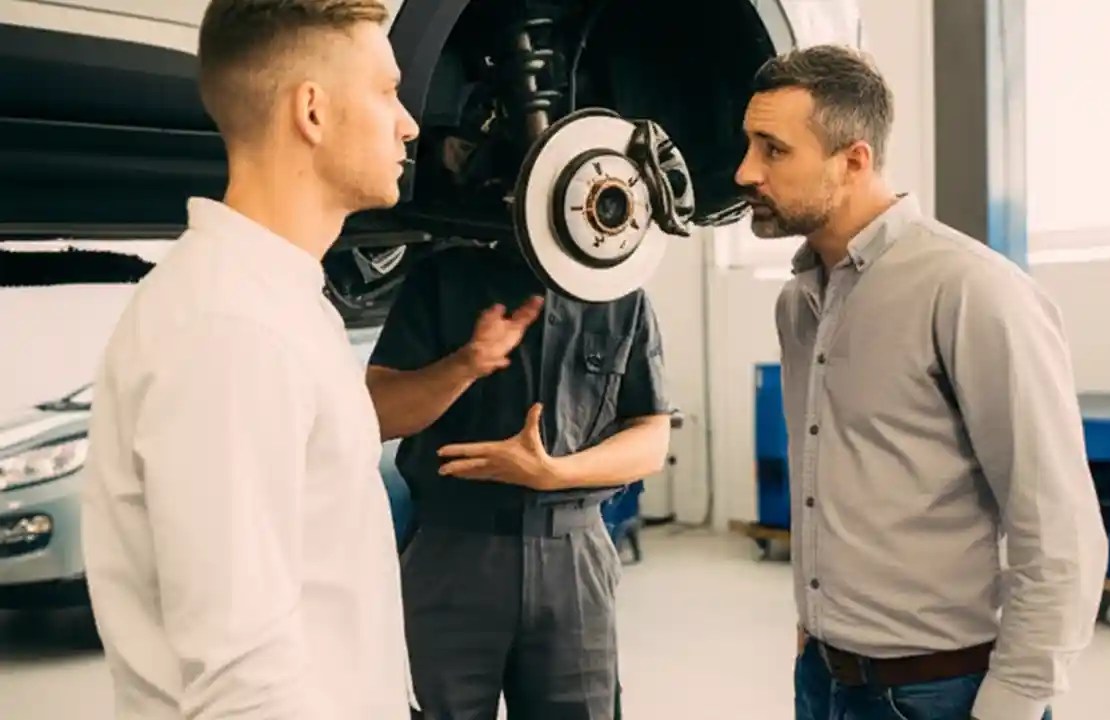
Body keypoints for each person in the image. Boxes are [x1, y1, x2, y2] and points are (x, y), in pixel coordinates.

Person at [734, 45, 1109, 720]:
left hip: (942, 692)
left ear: (853, 161)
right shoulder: (798, 304)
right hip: (824, 678)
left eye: (772, 150)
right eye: (748, 145)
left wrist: (1019, 696)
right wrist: (815, 634)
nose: (745, 172)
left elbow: (1057, 524)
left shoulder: (969, 289)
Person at [79, 2, 421, 718]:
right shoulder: (229, 327)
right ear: (313, 112)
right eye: (387, 92)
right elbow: (243, 678)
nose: (409, 122)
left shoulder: (278, 300)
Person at [366, 239, 670, 719]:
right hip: (452, 551)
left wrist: (552, 473)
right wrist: (467, 364)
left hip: (574, 558)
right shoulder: (442, 277)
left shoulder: (620, 290)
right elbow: (379, 413)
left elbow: (652, 438)